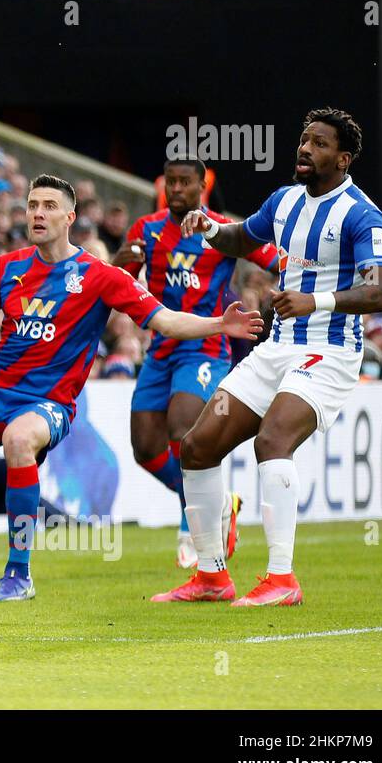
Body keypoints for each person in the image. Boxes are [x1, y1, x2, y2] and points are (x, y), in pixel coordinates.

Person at [0, 175, 263, 602]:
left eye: (47, 205)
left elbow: (165, 320)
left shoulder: (101, 276)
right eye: (32, 205)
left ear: (69, 217)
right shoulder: (8, 267)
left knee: (18, 439)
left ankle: (18, 574)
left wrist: (219, 325)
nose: (38, 213)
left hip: (47, 403)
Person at [153, 108, 382, 606]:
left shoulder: (361, 214)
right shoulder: (284, 201)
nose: (305, 149)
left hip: (328, 352)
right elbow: (244, 238)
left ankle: (282, 579)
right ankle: (211, 576)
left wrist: (316, 301)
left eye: (320, 144)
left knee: (273, 439)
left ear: (343, 159)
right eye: (304, 140)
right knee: (197, 447)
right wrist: (209, 228)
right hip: (278, 348)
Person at [112, 157, 281, 567]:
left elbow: (276, 260)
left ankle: (194, 527)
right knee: (145, 447)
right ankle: (217, 503)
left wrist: (300, 284)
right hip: (161, 345)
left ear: (201, 186)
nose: (176, 190)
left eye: (185, 182)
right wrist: (120, 258)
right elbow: (115, 281)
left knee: (182, 427)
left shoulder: (221, 229)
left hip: (204, 346)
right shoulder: (146, 229)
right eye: (170, 182)